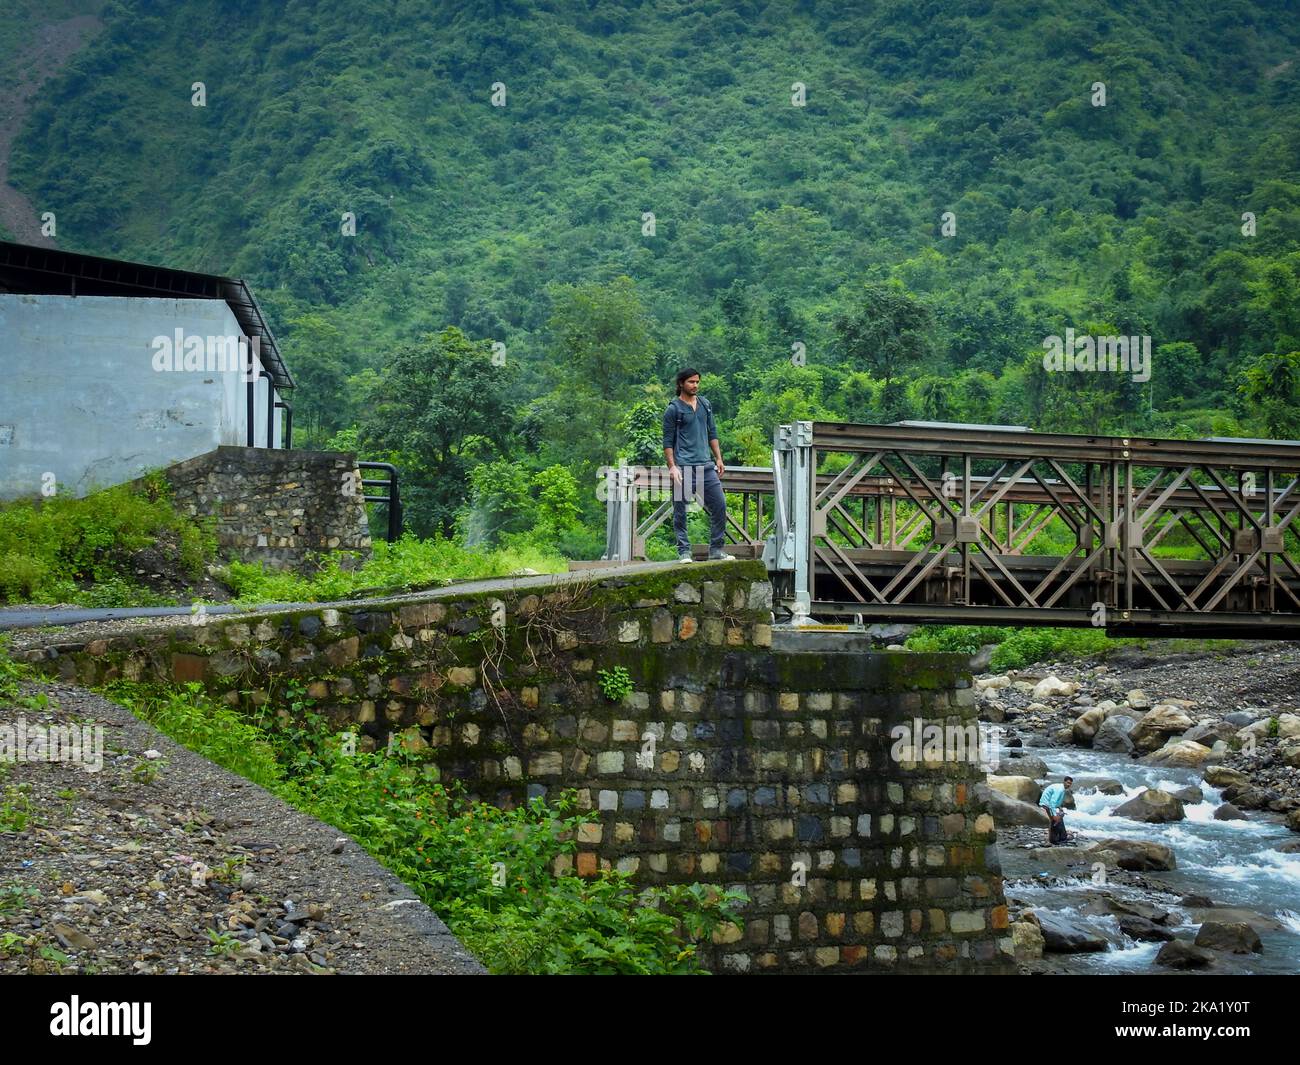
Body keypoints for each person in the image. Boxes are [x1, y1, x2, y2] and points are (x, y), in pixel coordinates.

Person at [662, 368, 733, 564]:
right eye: (691, 382)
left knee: (719, 505)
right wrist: (672, 467)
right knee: (680, 510)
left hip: (706, 466)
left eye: (697, 382)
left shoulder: (705, 405)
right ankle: (684, 551)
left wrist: (718, 458)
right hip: (683, 467)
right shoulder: (673, 409)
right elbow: (667, 442)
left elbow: (712, 433)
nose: (695, 385)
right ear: (681, 384)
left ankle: (716, 549)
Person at [1038, 776, 1073, 845]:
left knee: (1061, 815)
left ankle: (1063, 837)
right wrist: (1054, 815)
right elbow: (1052, 803)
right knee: (1057, 819)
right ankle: (1054, 839)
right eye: (1068, 783)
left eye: (1070, 784)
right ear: (1064, 782)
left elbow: (1057, 801)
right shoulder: (1059, 789)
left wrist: (1059, 807)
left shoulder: (1062, 789)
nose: (1069, 785)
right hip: (1045, 804)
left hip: (1049, 804)